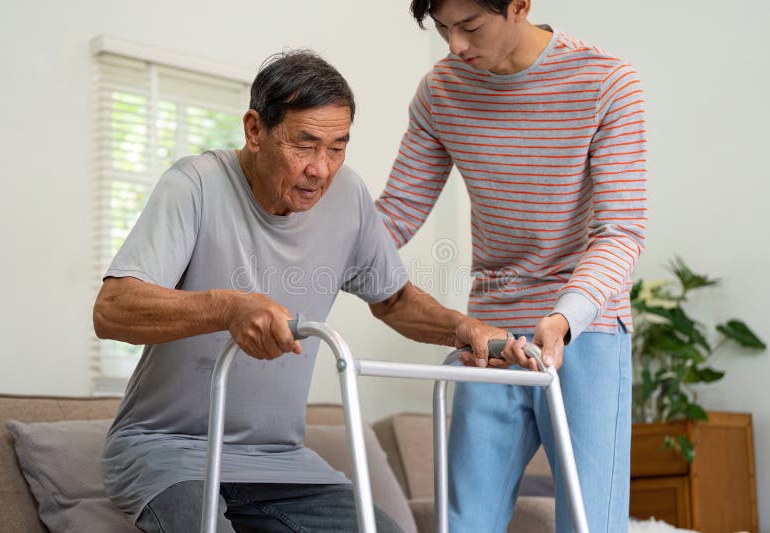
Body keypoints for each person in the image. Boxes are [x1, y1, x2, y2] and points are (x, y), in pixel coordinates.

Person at [93, 50, 507, 533]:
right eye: (304, 145)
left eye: (337, 147)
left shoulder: (348, 197)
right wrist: (228, 306)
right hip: (167, 450)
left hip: (280, 460)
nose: (321, 169)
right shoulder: (195, 185)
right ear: (254, 130)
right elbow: (112, 309)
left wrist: (463, 327)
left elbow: (393, 299)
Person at [374, 1, 647, 531]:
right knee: (467, 520)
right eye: (442, 28)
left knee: (589, 522)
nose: (454, 45)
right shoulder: (442, 91)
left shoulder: (606, 82)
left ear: (520, 5)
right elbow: (397, 212)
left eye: (470, 27)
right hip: (491, 339)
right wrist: (309, 258)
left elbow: (622, 231)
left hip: (584, 329)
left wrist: (565, 318)